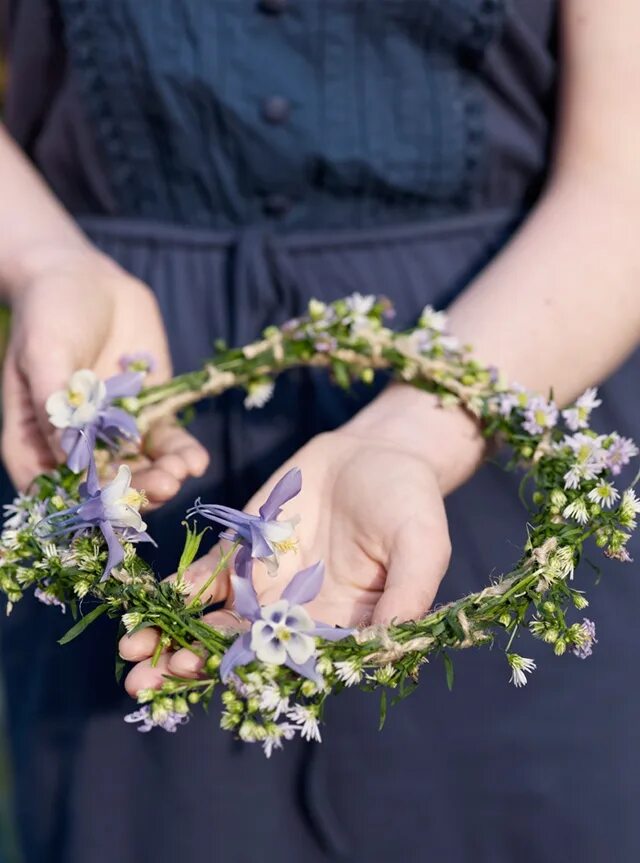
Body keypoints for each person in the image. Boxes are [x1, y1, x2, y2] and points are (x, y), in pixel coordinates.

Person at [1, 2, 640, 861]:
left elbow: (624, 182)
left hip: (517, 365)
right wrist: (43, 256)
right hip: (135, 408)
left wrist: (415, 433)